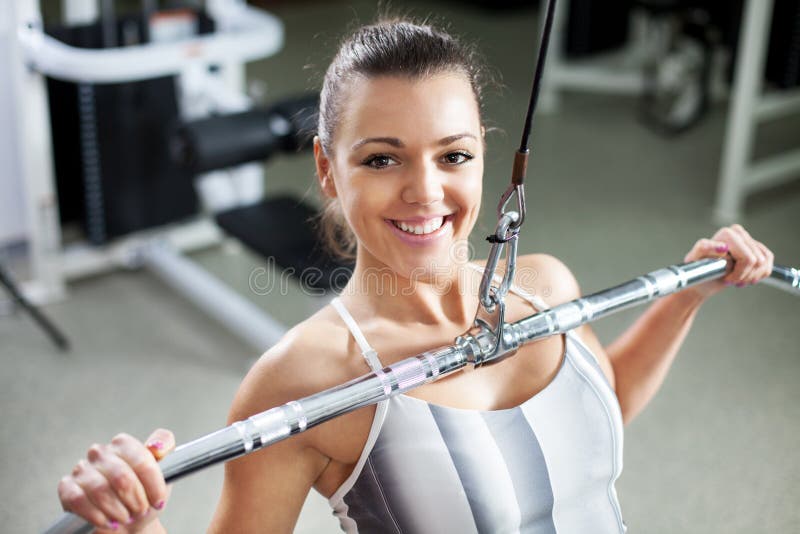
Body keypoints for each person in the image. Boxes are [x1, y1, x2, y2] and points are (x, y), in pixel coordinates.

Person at [57, 18, 775, 534]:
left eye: (453, 156)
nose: (425, 192)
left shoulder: (545, 287)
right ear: (326, 169)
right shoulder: (301, 382)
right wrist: (135, 523)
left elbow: (600, 408)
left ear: (487, 157)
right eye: (381, 158)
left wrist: (687, 296)